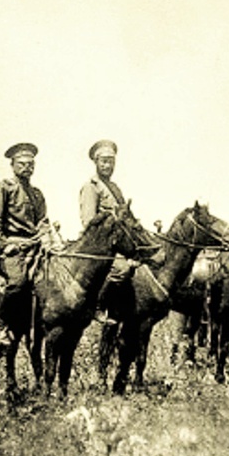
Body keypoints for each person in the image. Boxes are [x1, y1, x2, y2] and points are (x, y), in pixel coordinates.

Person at [0, 142, 49, 349]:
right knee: (18, 282)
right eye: (22, 163)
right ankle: (1, 325)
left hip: (34, 245)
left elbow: (43, 221)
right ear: (12, 165)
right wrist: (4, 245)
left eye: (31, 164)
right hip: (12, 246)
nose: (27, 167)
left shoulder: (37, 193)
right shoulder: (3, 188)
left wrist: (44, 236)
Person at [80, 139, 137, 324]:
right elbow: (89, 222)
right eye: (104, 161)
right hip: (99, 247)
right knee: (122, 269)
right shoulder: (92, 187)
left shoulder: (115, 189)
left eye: (111, 161)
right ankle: (97, 306)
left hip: (117, 243)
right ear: (96, 162)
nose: (108, 165)